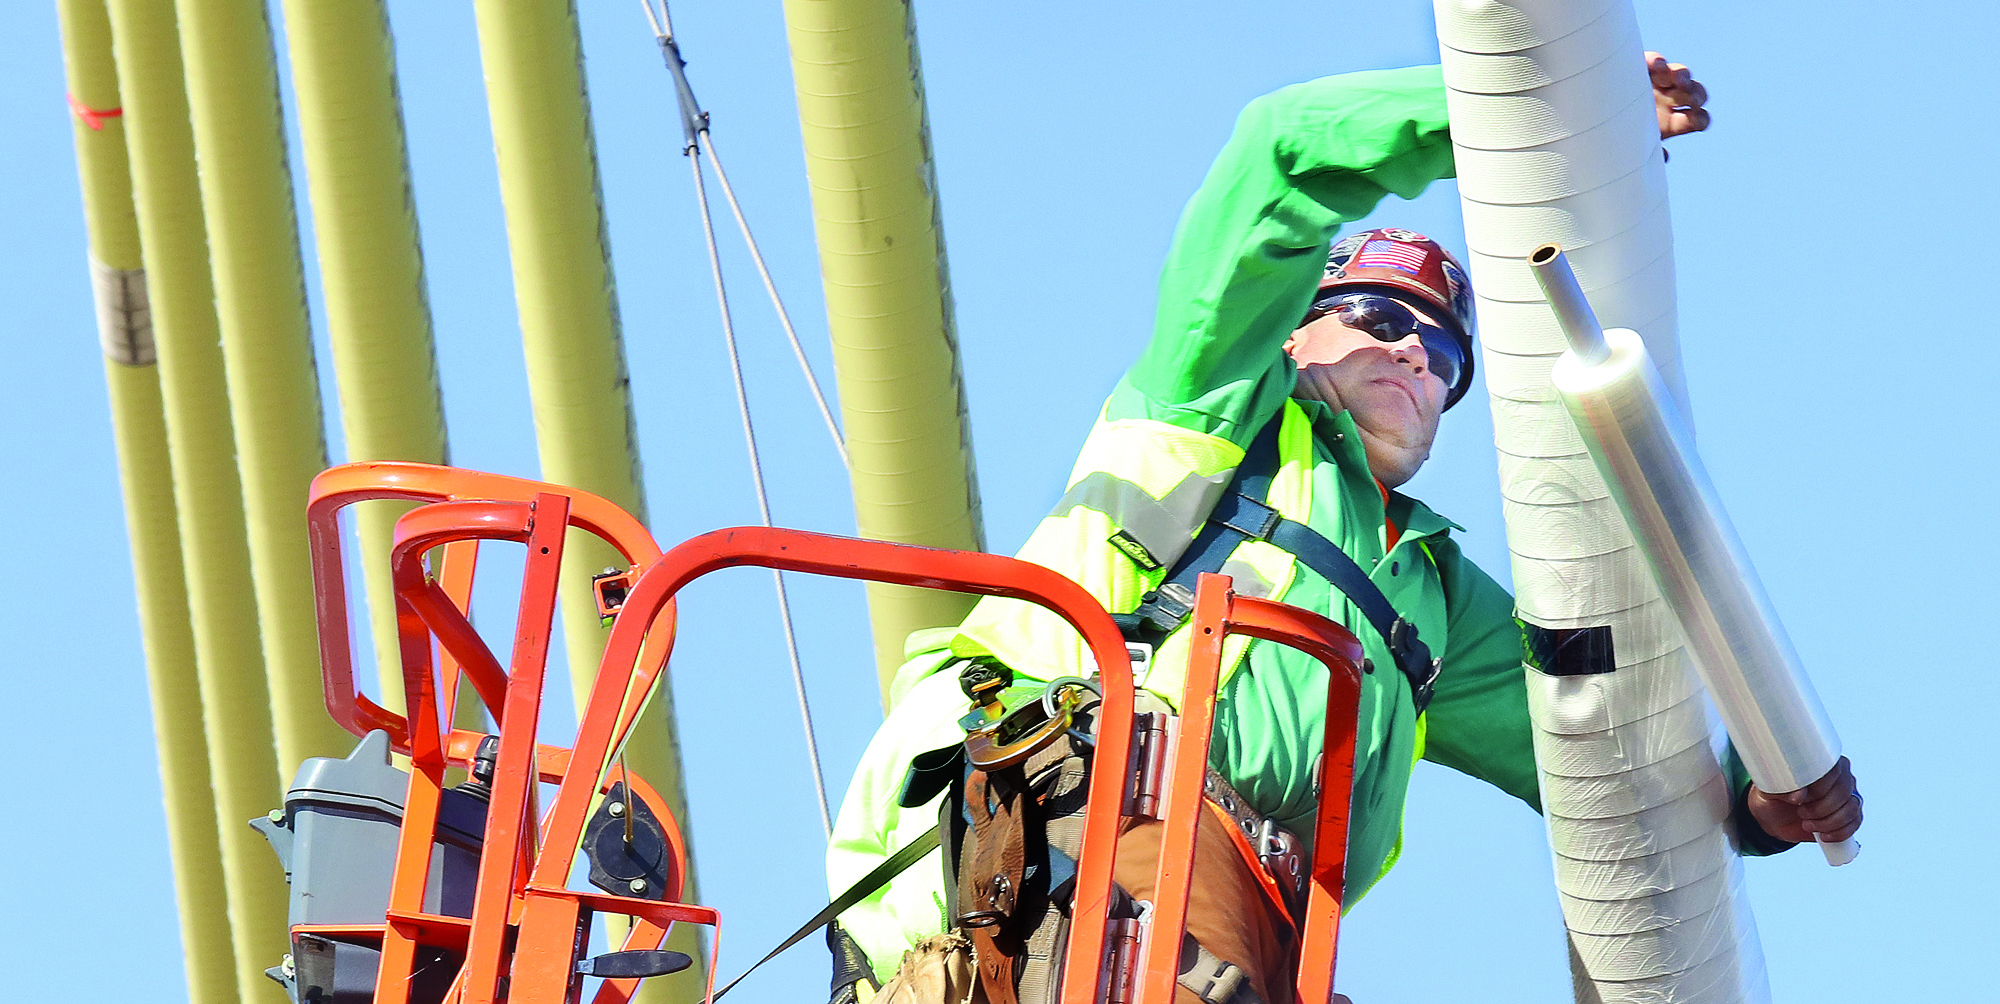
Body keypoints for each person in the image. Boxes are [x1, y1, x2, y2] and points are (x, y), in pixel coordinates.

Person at [826, 54, 1861, 1004]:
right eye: (1377, 319)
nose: (1413, 353)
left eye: (1443, 356)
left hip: (1232, 916)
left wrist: (1754, 797)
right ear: (1292, 333)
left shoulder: (1429, 594)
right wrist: (1538, 115)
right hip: (1037, 828)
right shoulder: (1214, 404)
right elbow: (1280, 154)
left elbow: (1598, 735)